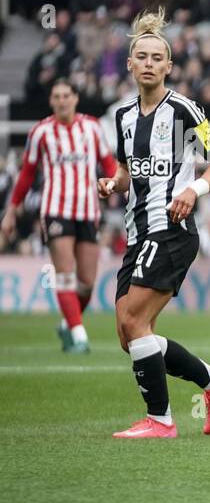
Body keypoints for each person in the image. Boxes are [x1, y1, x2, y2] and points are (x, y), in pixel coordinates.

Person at [98, 8, 210, 439]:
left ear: (169, 66)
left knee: (135, 323)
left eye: (156, 58)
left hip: (172, 230)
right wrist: (112, 183)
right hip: (137, 234)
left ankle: (160, 421)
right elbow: (128, 173)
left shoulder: (183, 109)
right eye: (141, 56)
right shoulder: (122, 117)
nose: (148, 63)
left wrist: (193, 190)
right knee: (129, 334)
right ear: (129, 64)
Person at [2, 80, 117, 353]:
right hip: (55, 210)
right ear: (51, 101)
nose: (62, 100)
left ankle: (68, 324)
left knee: (87, 283)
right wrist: (11, 210)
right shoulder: (41, 132)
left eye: (67, 95)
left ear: (76, 99)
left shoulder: (92, 127)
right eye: (57, 96)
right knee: (65, 275)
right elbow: (27, 174)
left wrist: (113, 184)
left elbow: (109, 163)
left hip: (88, 210)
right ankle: (79, 337)